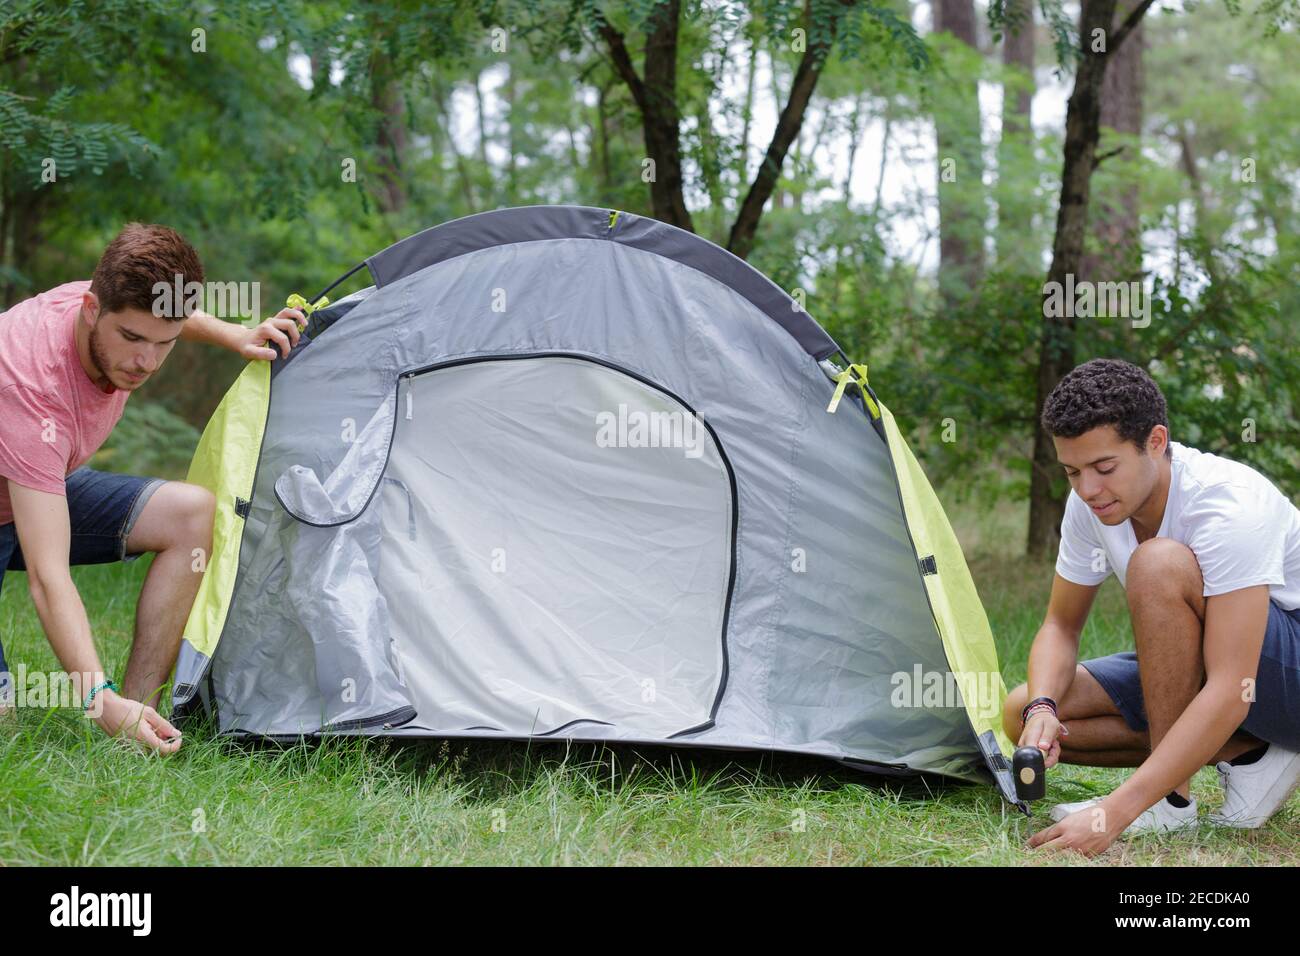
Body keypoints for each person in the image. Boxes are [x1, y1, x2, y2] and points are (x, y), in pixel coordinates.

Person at [0, 222, 305, 753]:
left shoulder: (117, 305)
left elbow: (166, 320)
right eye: (133, 340)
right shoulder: (29, 387)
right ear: (91, 310)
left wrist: (235, 335)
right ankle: (110, 708)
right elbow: (48, 580)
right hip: (20, 492)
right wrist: (95, 696)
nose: (146, 362)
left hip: (33, 489)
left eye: (163, 343)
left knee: (190, 514)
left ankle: (139, 717)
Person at [1006, 358, 1300, 856]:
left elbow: (1233, 686)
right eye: (1072, 471)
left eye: (1104, 468)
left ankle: (1171, 804)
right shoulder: (1089, 505)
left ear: (1156, 442)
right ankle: (1249, 755)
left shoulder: (1227, 504)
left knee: (1157, 564)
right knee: (1021, 711)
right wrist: (1043, 708)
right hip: (1225, 670)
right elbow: (1059, 625)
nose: (1087, 490)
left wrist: (1114, 812)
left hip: (1277, 673)